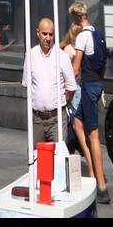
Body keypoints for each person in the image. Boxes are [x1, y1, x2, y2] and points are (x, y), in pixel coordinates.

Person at [69, 1, 109, 203]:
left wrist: (67, 85)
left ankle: (101, 187)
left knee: (93, 135)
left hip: (87, 86)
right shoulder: (99, 34)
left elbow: (76, 68)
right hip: (97, 84)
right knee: (77, 122)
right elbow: (103, 63)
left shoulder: (83, 36)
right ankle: (93, 175)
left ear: (76, 18)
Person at [23, 16, 76, 147]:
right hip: (37, 119)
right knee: (36, 159)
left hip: (57, 119)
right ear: (37, 33)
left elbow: (71, 88)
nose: (47, 38)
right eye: (44, 34)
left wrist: (61, 103)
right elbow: (27, 85)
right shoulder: (30, 55)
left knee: (58, 159)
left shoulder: (62, 56)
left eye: (51, 34)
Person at [61, 21, 91, 166]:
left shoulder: (79, 49)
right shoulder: (69, 50)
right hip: (74, 89)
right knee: (74, 121)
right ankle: (75, 150)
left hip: (81, 88)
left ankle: (77, 149)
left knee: (78, 121)